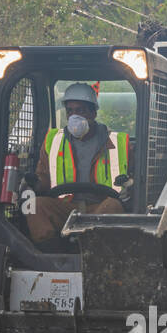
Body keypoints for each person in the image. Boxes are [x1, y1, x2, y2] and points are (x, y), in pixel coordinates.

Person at [27, 82, 130, 243]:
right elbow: (44, 181)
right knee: (34, 205)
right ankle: (51, 253)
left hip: (100, 208)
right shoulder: (53, 140)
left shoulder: (119, 143)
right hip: (66, 207)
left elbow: (134, 184)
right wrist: (35, 183)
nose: (74, 116)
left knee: (113, 206)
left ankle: (96, 250)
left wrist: (128, 184)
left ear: (93, 112)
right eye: (70, 111)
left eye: (80, 110)